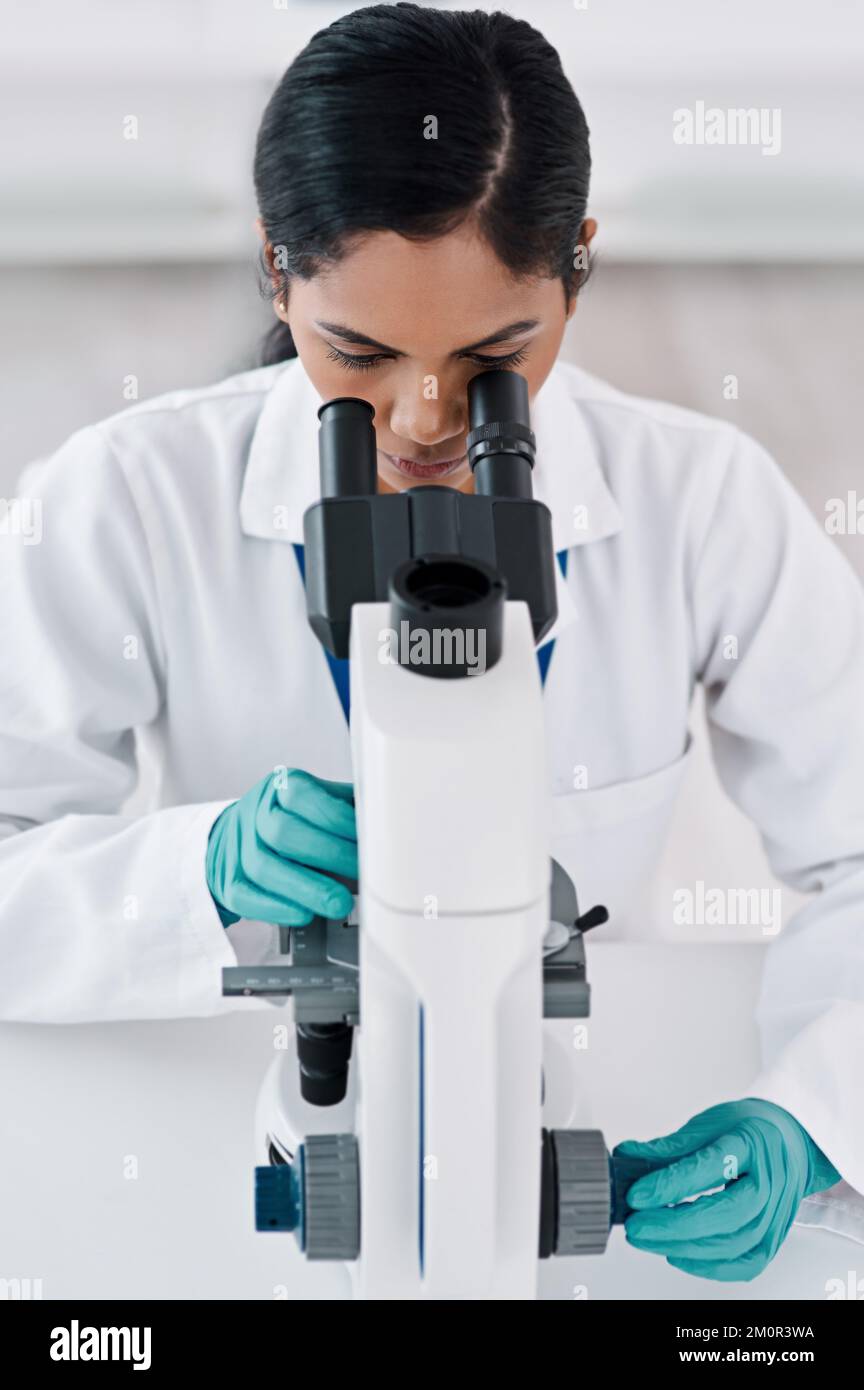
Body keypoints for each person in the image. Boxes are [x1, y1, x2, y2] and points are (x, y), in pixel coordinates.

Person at [2, 2, 862, 1282]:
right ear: (275, 267)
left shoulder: (704, 503)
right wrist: (200, 870)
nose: (420, 417)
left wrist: (819, 1115)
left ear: (578, 261)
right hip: (225, 1127)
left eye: (495, 359)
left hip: (558, 1117)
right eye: (355, 351)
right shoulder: (124, 496)